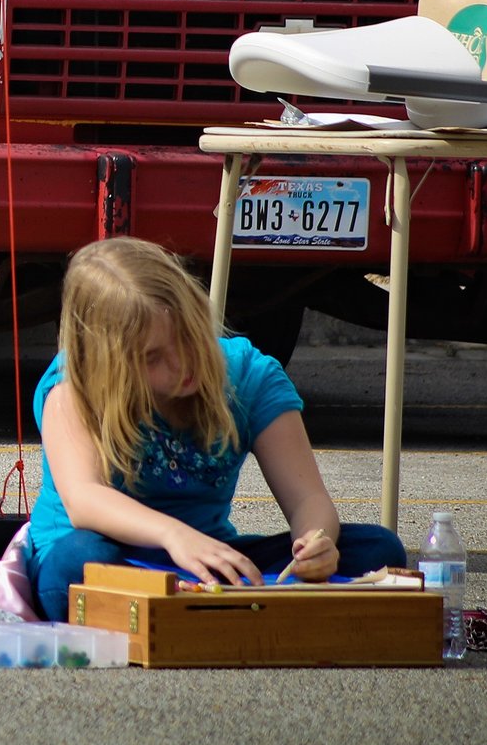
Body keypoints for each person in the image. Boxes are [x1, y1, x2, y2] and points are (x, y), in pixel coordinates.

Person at [24, 237, 405, 616]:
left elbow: (308, 498)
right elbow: (84, 500)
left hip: (207, 560)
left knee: (378, 550)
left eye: (187, 338)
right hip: (113, 555)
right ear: (107, 363)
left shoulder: (248, 375)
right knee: (77, 563)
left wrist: (316, 542)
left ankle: (198, 611)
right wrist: (175, 536)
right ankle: (227, 614)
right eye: (153, 357)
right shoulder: (73, 387)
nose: (181, 364)